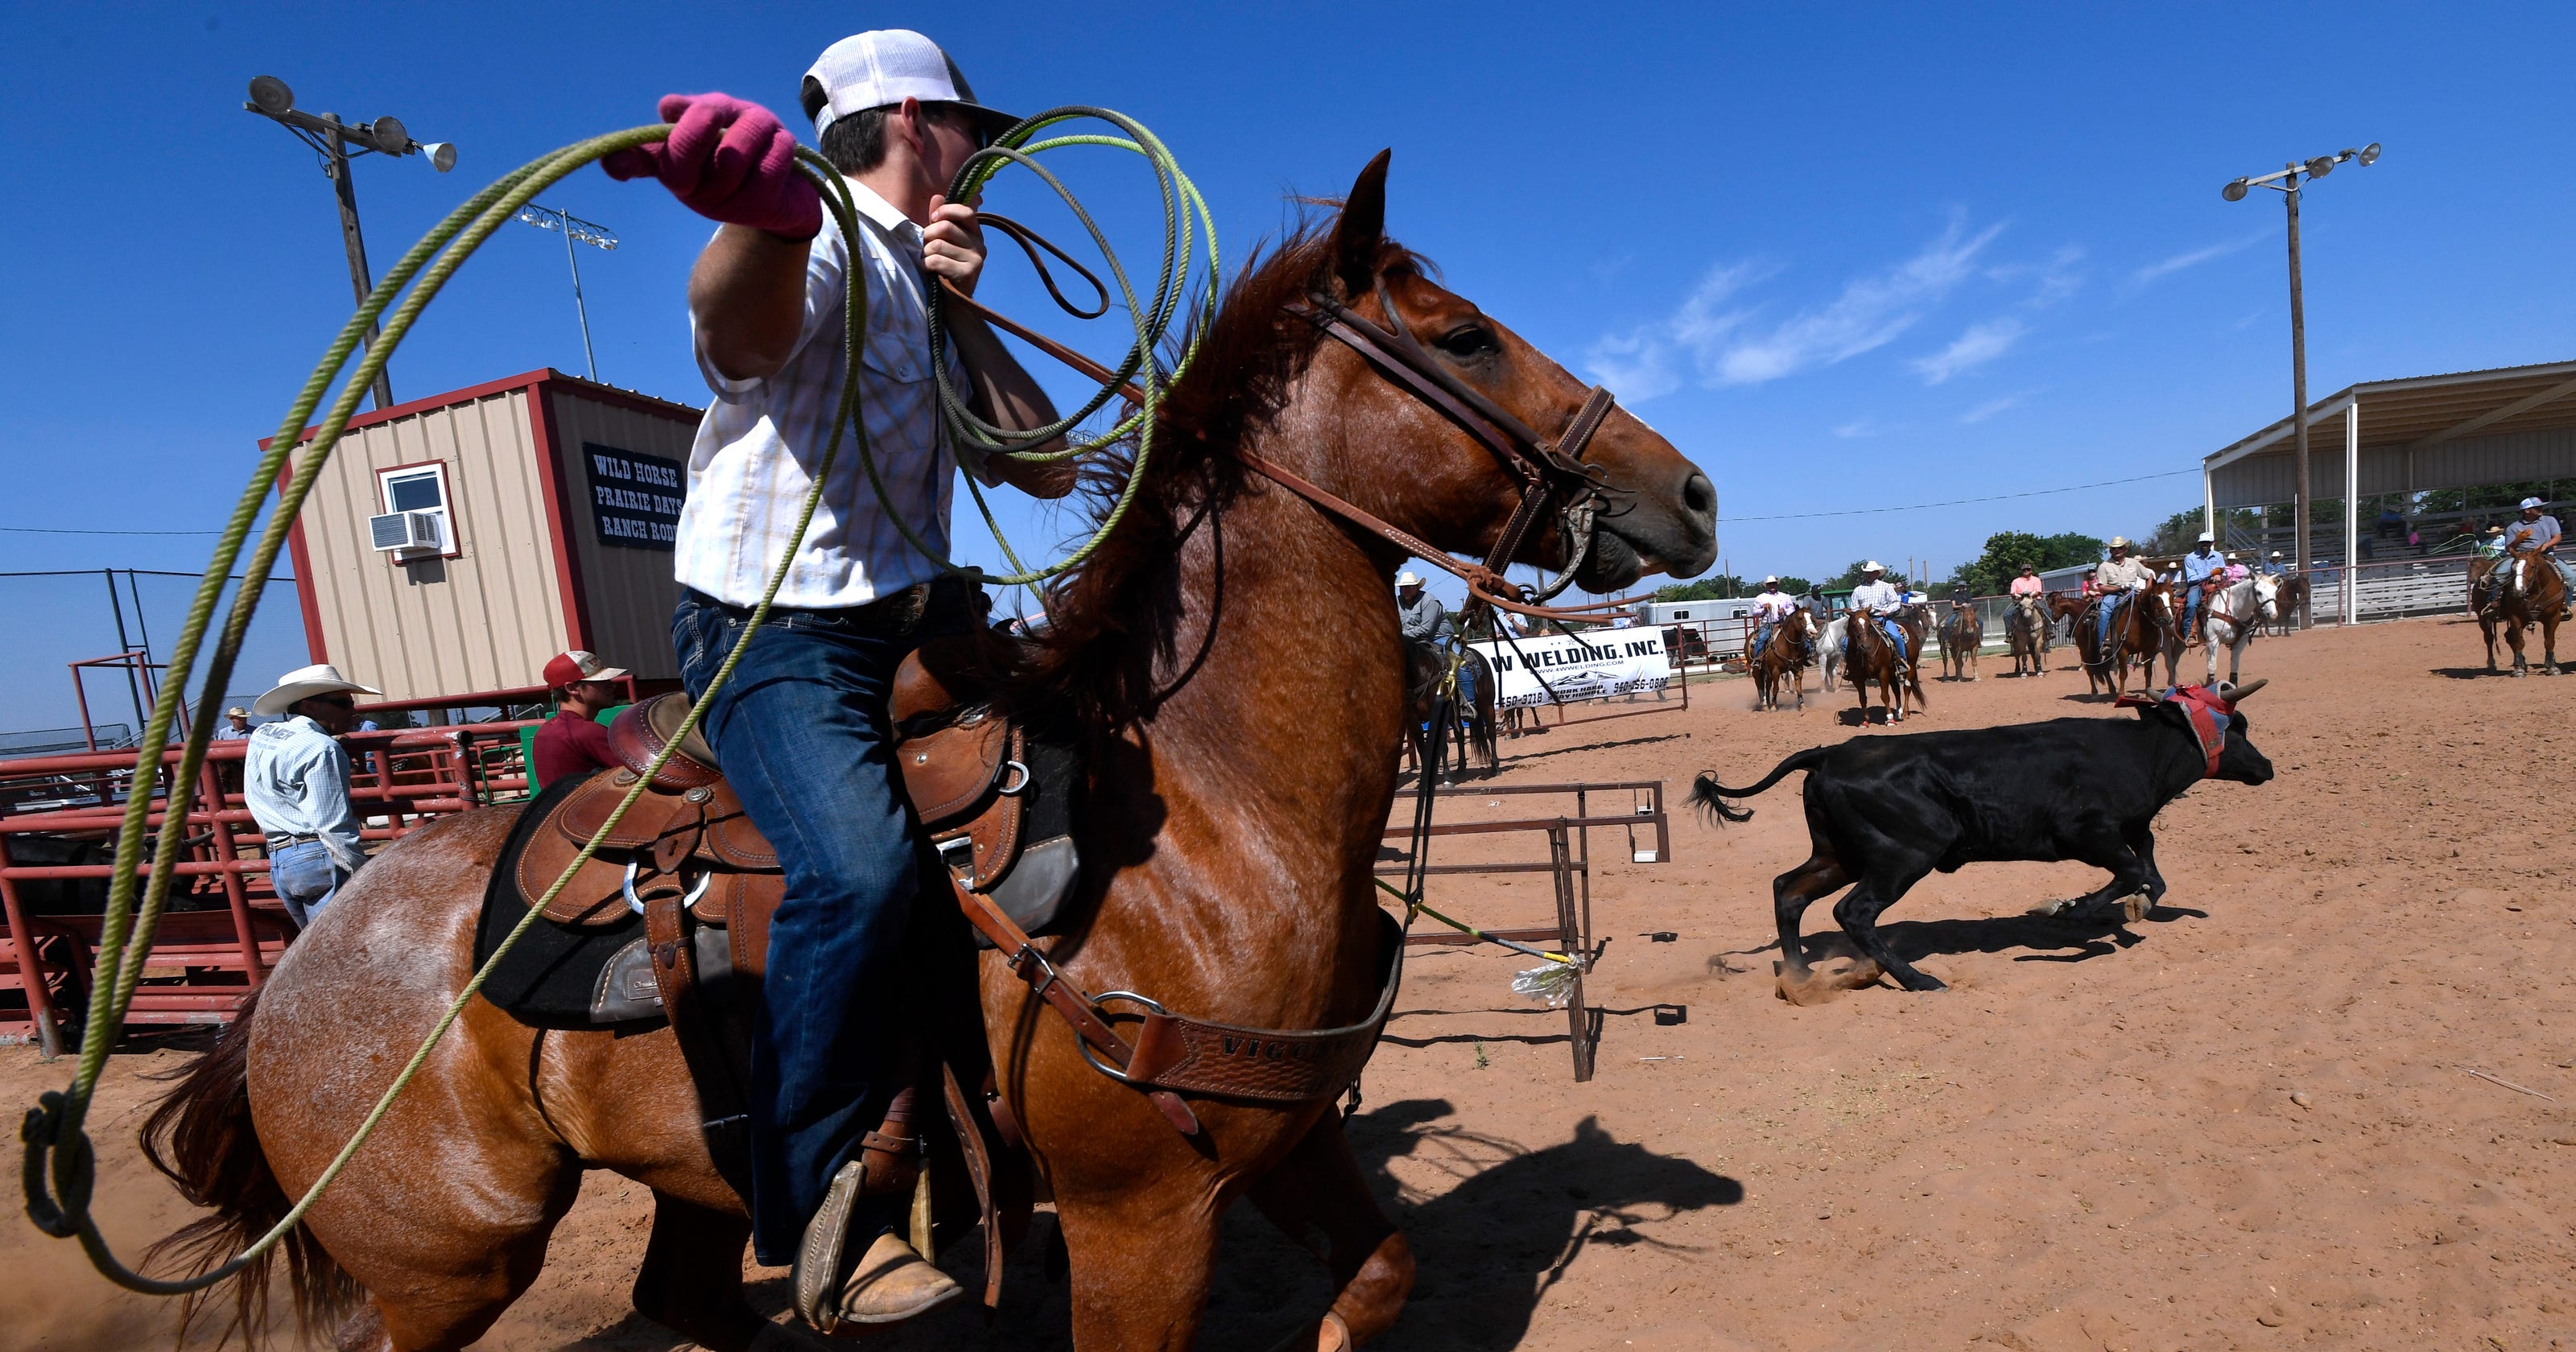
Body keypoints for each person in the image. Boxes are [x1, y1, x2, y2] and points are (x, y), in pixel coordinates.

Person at [606, 29, 1072, 1329]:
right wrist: (758, 219)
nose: (985, 149)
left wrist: (965, 306)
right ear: (916, 121)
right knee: (856, 871)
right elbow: (735, 331)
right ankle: (819, 1201)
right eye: (972, 126)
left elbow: (1043, 465)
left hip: (914, 624)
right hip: (777, 631)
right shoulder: (816, 235)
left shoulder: (928, 273)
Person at [244, 663, 378, 929]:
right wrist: (362, 873)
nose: (353, 711)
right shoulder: (322, 749)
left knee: (314, 946)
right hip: (318, 855)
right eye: (343, 703)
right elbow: (333, 825)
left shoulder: (263, 733)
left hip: (281, 858)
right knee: (340, 945)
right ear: (310, 706)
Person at [532, 649, 630, 787]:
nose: (611, 685)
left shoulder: (544, 732)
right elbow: (646, 773)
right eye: (601, 681)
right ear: (572, 688)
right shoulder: (586, 731)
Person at [2494, 497, 2576, 608]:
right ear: (2527, 510)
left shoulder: (2549, 520)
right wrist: (2518, 541)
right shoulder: (2513, 527)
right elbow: (2509, 548)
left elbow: (2557, 537)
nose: (2541, 509)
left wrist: (2545, 545)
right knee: (2498, 574)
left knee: (2570, 576)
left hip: (2545, 555)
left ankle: (2565, 604)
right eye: (2537, 508)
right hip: (2521, 557)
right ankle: (2494, 603)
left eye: (2541, 507)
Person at [2091, 536, 2153, 654]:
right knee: (2104, 612)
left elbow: (2149, 576)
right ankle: (2105, 642)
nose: (2117, 550)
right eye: (2114, 548)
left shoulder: (2133, 563)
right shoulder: (2104, 566)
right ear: (2110, 550)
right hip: (2113, 594)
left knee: (2153, 607)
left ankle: (2157, 638)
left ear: (2125, 549)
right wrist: (2120, 588)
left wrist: (2147, 590)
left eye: (2120, 548)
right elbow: (2102, 588)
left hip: (2133, 592)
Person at [1848, 562, 1909, 659]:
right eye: (1867, 572)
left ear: (1877, 573)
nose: (1868, 574)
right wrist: (1860, 613)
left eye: (1871, 572)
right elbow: (1855, 607)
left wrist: (1886, 611)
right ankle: (1848, 664)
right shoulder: (1858, 590)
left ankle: (1901, 660)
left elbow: (1896, 603)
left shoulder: (1886, 587)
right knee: (1845, 642)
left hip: (1881, 618)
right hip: (1863, 620)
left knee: (1896, 637)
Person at [2178, 531, 2223, 641]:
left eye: (2207, 543)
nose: (2205, 545)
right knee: (2192, 604)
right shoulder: (2190, 558)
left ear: (2212, 543)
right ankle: (2189, 633)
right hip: (2196, 586)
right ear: (2199, 544)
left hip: (2216, 584)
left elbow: (2223, 571)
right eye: (2202, 543)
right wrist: (2211, 574)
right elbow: (2192, 578)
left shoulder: (2218, 556)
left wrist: (2219, 575)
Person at [1748, 575, 1797, 658]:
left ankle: (1805, 656)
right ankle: (1757, 659)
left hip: (1783, 623)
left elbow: (1792, 609)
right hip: (1768, 625)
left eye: (1774, 583)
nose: (1772, 586)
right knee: (1761, 639)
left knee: (1799, 636)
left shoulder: (1785, 596)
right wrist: (1764, 609)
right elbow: (1754, 612)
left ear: (1777, 584)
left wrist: (1785, 610)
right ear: (1766, 585)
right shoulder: (1761, 597)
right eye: (1770, 584)